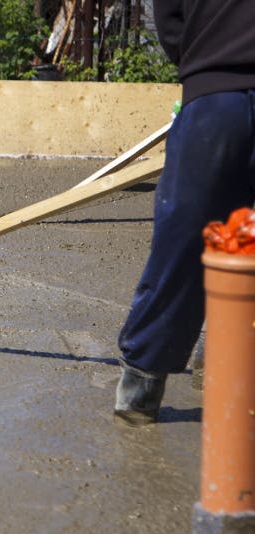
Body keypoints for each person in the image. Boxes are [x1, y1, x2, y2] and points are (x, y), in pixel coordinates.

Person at [114, 0, 255, 425]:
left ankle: (142, 384)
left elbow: (171, 27)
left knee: (184, 238)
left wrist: (201, 66)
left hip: (213, 99)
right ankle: (223, 353)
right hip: (214, 92)